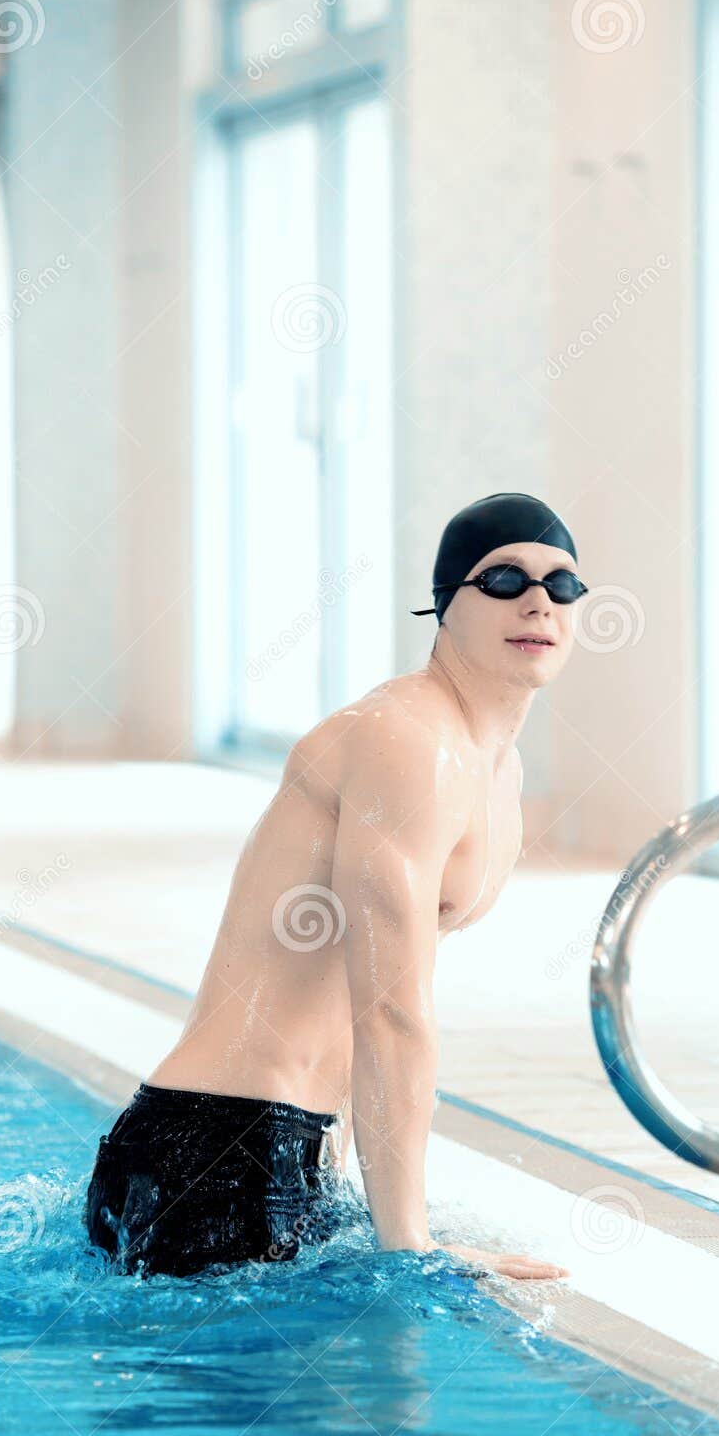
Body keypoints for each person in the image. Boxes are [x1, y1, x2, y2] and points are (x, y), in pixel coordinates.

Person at [85, 492, 588, 1281]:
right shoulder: (406, 739)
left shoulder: (496, 769)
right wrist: (410, 1249)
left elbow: (353, 1024)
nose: (537, 602)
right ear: (443, 607)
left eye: (562, 586)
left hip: (294, 1150)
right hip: (212, 1153)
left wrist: (348, 1192)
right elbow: (388, 1008)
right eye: (503, 581)